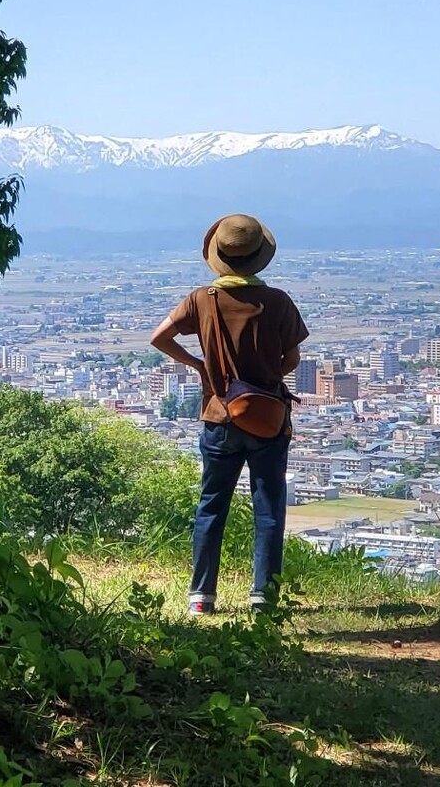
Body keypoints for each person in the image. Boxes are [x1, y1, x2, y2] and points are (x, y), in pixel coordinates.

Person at [150, 214, 308, 615]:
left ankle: (201, 596)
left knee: (211, 505)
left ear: (218, 254)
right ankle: (263, 596)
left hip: (219, 417)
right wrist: (264, 378)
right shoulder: (278, 302)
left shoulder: (202, 299)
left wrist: (200, 366)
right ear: (259, 257)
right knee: (268, 507)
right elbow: (292, 357)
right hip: (268, 417)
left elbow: (159, 337)